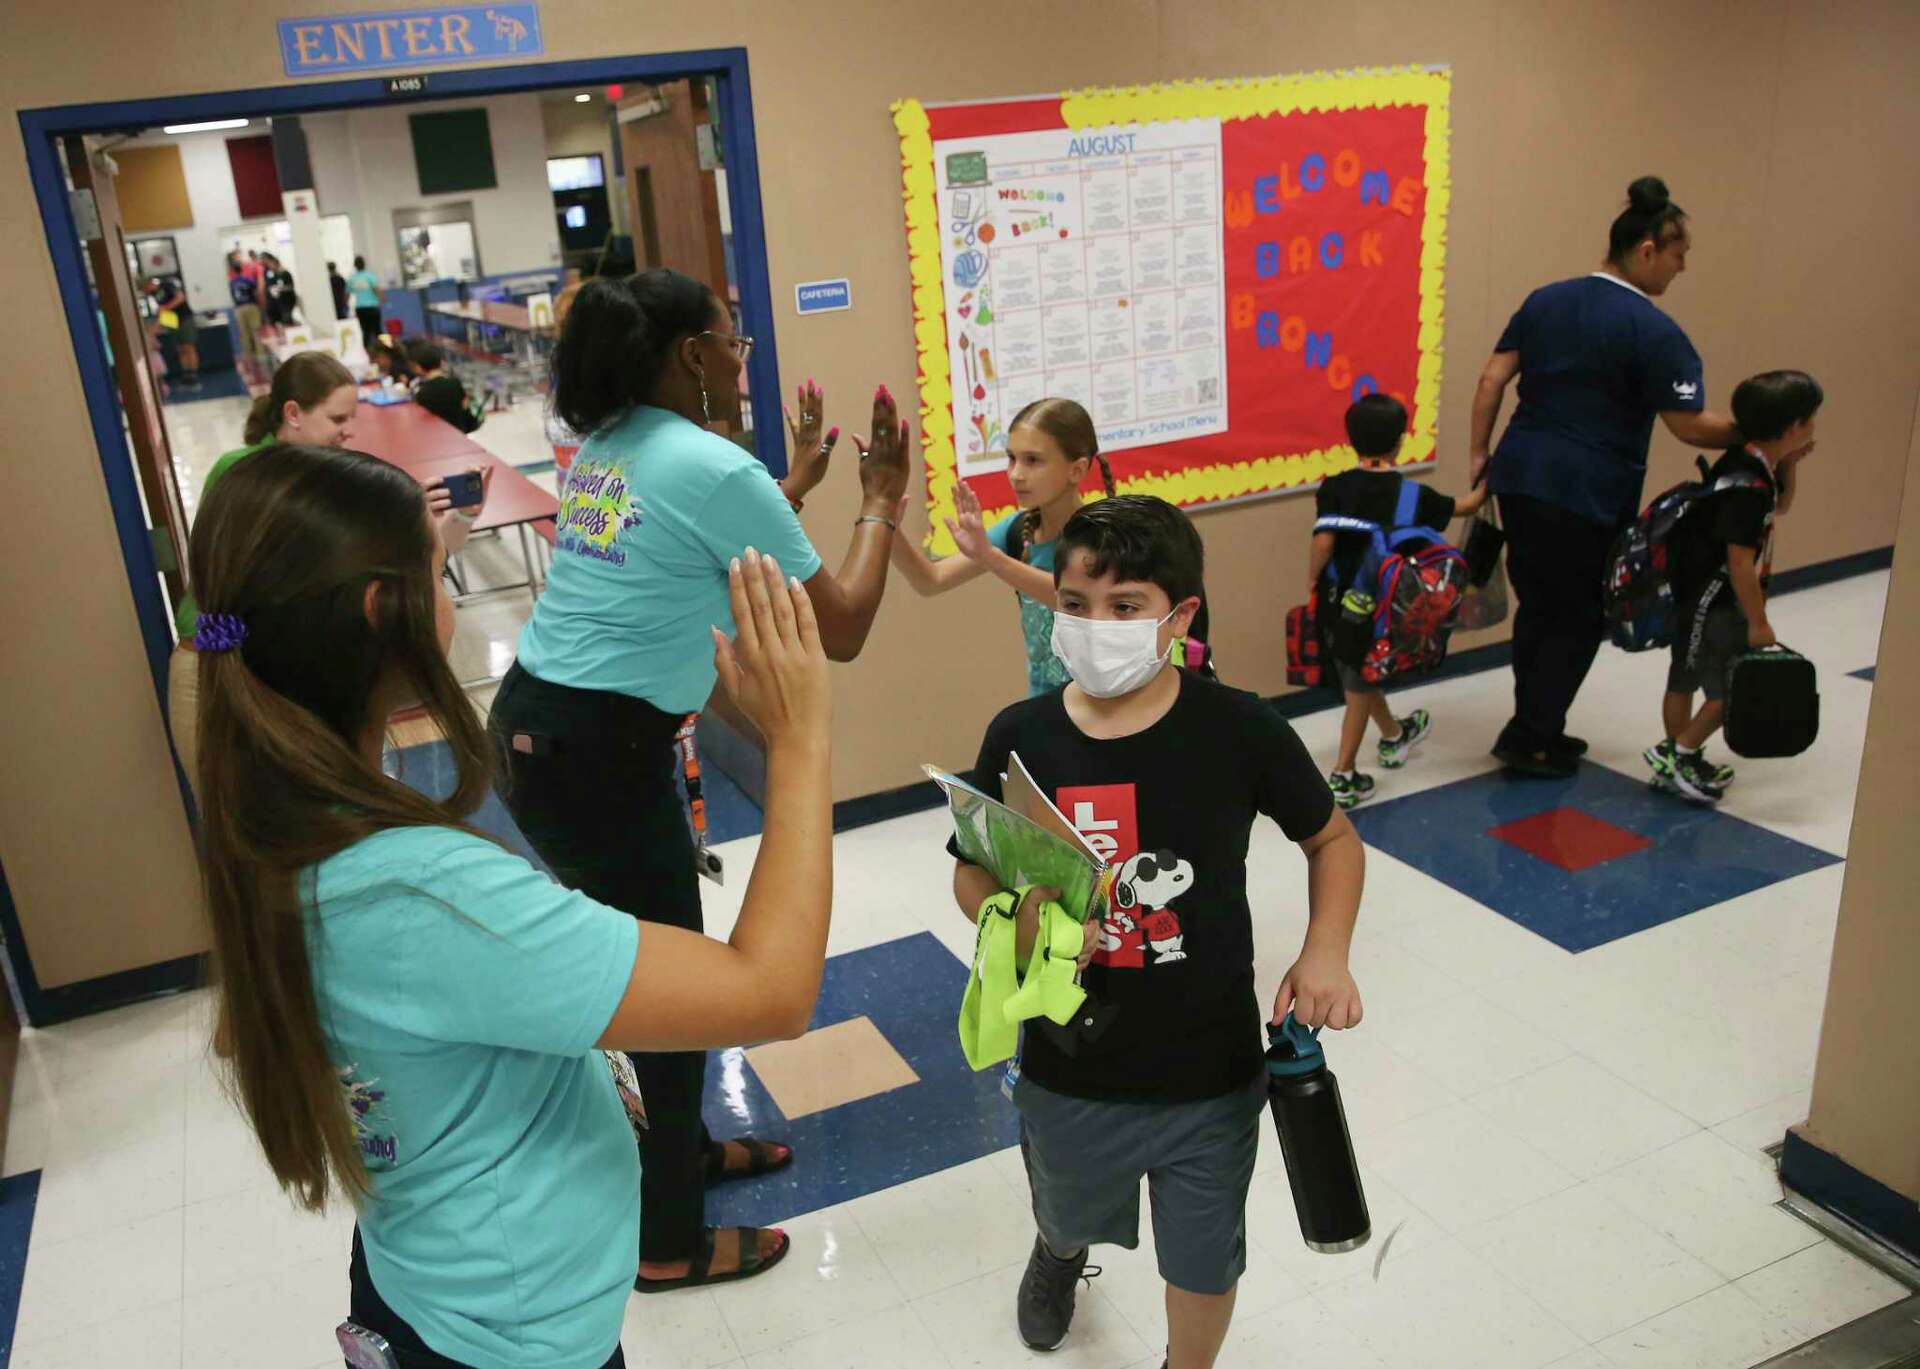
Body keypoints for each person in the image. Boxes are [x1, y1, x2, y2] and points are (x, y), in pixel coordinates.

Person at [190, 443, 834, 1368]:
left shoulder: (278, 816)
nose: (446, 576)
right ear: (387, 612)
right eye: (436, 563)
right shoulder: (420, 896)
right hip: (513, 1341)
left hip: (430, 1283)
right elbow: (771, 989)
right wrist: (802, 737)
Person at [488, 267, 911, 1292]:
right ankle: (667, 1242)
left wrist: (790, 487)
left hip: (552, 736)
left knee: (665, 955)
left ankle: (681, 1153)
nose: (739, 356)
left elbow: (699, 540)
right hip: (598, 756)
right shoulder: (712, 466)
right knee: (678, 988)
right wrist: (882, 502)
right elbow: (841, 628)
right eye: (732, 341)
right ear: (691, 354)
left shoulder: (619, 444)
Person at [948, 495, 1364, 1369]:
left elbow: (1331, 838)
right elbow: (971, 867)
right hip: (1067, 1063)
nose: (1097, 625)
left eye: (1125, 605)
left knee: (1205, 1255)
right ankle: (1059, 1252)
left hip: (1209, 1072)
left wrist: (1326, 947)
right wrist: (1015, 918)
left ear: (1177, 616)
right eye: (1074, 603)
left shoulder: (1238, 727)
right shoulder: (1021, 737)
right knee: (1065, 1205)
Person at [1471, 176, 1742, 776]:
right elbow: (1691, 426)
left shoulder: (1545, 299)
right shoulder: (1655, 332)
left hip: (1520, 475)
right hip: (1586, 491)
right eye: (1679, 255)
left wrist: (1479, 457)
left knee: (1540, 606)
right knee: (1578, 615)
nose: (1682, 269)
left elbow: (1492, 379)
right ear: (1647, 250)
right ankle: (1532, 740)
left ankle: (1535, 725)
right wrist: (1753, 431)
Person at [167, 352, 486, 785]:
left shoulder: (320, 478)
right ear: (294, 414)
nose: (348, 431)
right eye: (337, 418)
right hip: (218, 664)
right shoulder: (248, 475)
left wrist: (433, 520)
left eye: (351, 418)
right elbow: (245, 584)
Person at [1646, 370, 1821, 803]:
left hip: (1696, 591)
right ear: (1794, 426)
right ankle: (1679, 753)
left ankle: (1679, 754)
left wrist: (1789, 465)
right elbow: (1739, 561)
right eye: (1810, 418)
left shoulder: (1749, 463)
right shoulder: (1749, 487)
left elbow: (1782, 504)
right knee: (1732, 689)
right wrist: (1759, 622)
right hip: (1715, 601)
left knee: (1684, 677)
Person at [1309, 394, 1486, 808]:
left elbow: (1323, 541)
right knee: (1359, 685)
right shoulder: (1411, 495)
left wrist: (1311, 583)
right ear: (1400, 442)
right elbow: (1465, 506)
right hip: (1382, 605)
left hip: (1338, 599)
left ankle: (1393, 735)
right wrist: (1487, 478)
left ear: (1351, 440)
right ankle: (1344, 774)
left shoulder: (1334, 487)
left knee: (1359, 674)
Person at [890, 397, 1117, 696]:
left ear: (1077, 470)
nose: (1016, 474)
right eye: (1012, 458)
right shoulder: (1017, 530)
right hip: (1044, 708)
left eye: (1033, 460)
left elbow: (1076, 601)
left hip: (1103, 708)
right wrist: (887, 526)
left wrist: (992, 558)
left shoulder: (1103, 536)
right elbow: (930, 580)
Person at [407, 342, 483, 434]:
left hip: (439, 437)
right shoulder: (454, 383)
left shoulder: (422, 392)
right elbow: (465, 405)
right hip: (460, 432)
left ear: (419, 368)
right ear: (441, 362)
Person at [144, 274, 198, 387]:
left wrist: (166, 307)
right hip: (172, 321)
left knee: (188, 346)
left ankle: (193, 373)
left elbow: (180, 297)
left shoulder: (167, 285)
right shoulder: (155, 295)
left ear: (151, 283)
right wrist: (154, 329)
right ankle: (186, 373)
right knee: (180, 349)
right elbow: (163, 313)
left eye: (147, 287)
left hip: (183, 318)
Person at [227, 251, 264, 366]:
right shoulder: (248, 280)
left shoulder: (232, 283)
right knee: (256, 332)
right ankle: (261, 356)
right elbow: (257, 291)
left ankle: (248, 358)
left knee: (244, 334)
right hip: (251, 306)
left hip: (238, 308)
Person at [348, 255, 385, 350]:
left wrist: (347, 306)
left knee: (365, 332)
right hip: (372, 306)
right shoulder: (370, 275)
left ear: (355, 265)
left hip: (360, 308)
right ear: (364, 264)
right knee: (378, 330)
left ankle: (368, 354)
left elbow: (347, 294)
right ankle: (382, 351)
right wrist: (382, 299)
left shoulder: (351, 278)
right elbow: (376, 289)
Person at [262, 251, 297, 326]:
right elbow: (269, 287)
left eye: (271, 264)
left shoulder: (285, 274)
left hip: (286, 302)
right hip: (275, 305)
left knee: (287, 321)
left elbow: (290, 286)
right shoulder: (271, 275)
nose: (270, 267)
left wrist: (279, 289)